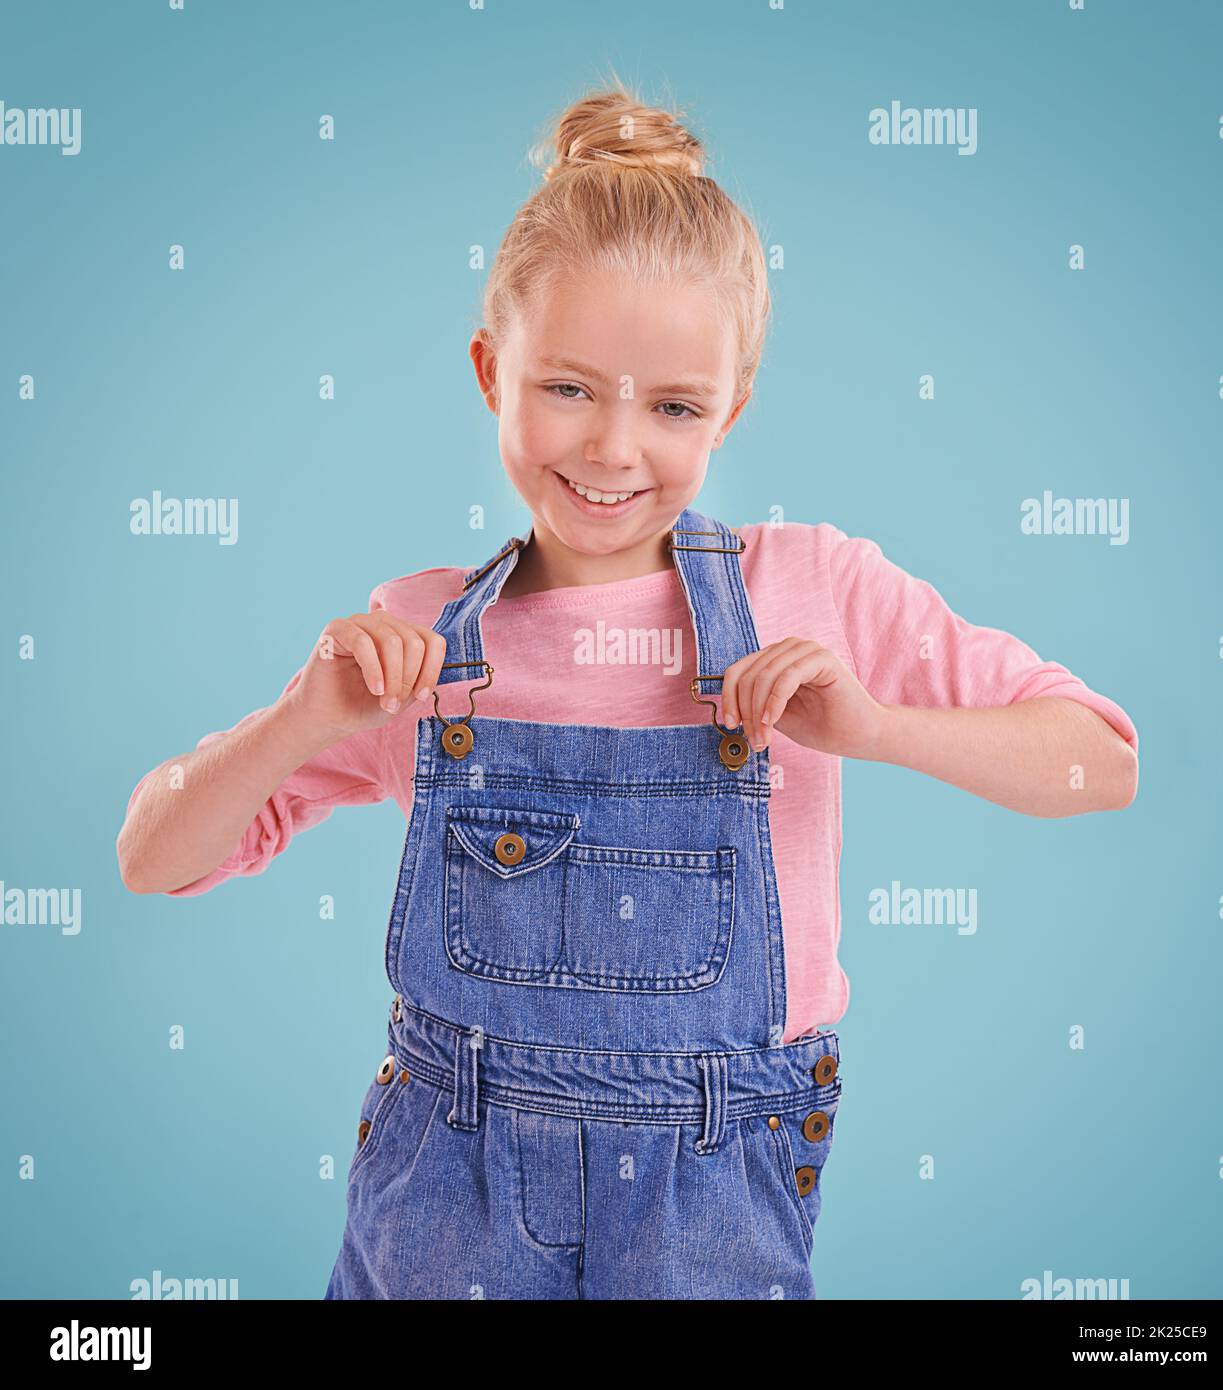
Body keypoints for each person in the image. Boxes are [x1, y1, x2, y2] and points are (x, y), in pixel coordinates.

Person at [117, 79, 1138, 1300]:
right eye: (567, 386)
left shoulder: (815, 587)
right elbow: (151, 857)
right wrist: (304, 718)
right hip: (448, 1188)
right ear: (493, 368)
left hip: (715, 1182)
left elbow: (1103, 761)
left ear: (732, 409)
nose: (612, 448)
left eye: (672, 407)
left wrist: (878, 728)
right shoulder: (416, 640)